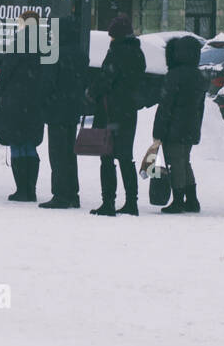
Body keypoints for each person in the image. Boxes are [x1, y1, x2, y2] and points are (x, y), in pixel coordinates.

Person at [87, 14, 146, 216]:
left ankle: (108, 202)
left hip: (110, 112)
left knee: (107, 157)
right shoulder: (138, 53)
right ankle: (131, 202)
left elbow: (105, 78)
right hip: (128, 112)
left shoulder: (116, 53)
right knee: (125, 157)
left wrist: (91, 92)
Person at [0, 12, 45, 202]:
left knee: (17, 143)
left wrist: (1, 93)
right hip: (34, 101)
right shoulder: (45, 43)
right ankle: (30, 188)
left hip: (15, 100)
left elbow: (6, 71)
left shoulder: (19, 41)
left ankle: (21, 188)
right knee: (30, 143)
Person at [151, 35, 206, 213]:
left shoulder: (174, 75)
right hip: (190, 126)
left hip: (173, 127)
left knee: (175, 163)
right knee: (184, 162)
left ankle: (178, 200)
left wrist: (158, 132)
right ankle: (192, 199)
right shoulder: (199, 76)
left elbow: (165, 105)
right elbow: (200, 107)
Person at [38, 23, 85, 209]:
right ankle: (73, 193)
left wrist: (44, 102)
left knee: (57, 154)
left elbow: (46, 83)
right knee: (69, 153)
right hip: (72, 109)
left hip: (57, 110)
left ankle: (60, 194)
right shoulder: (80, 54)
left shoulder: (54, 54)